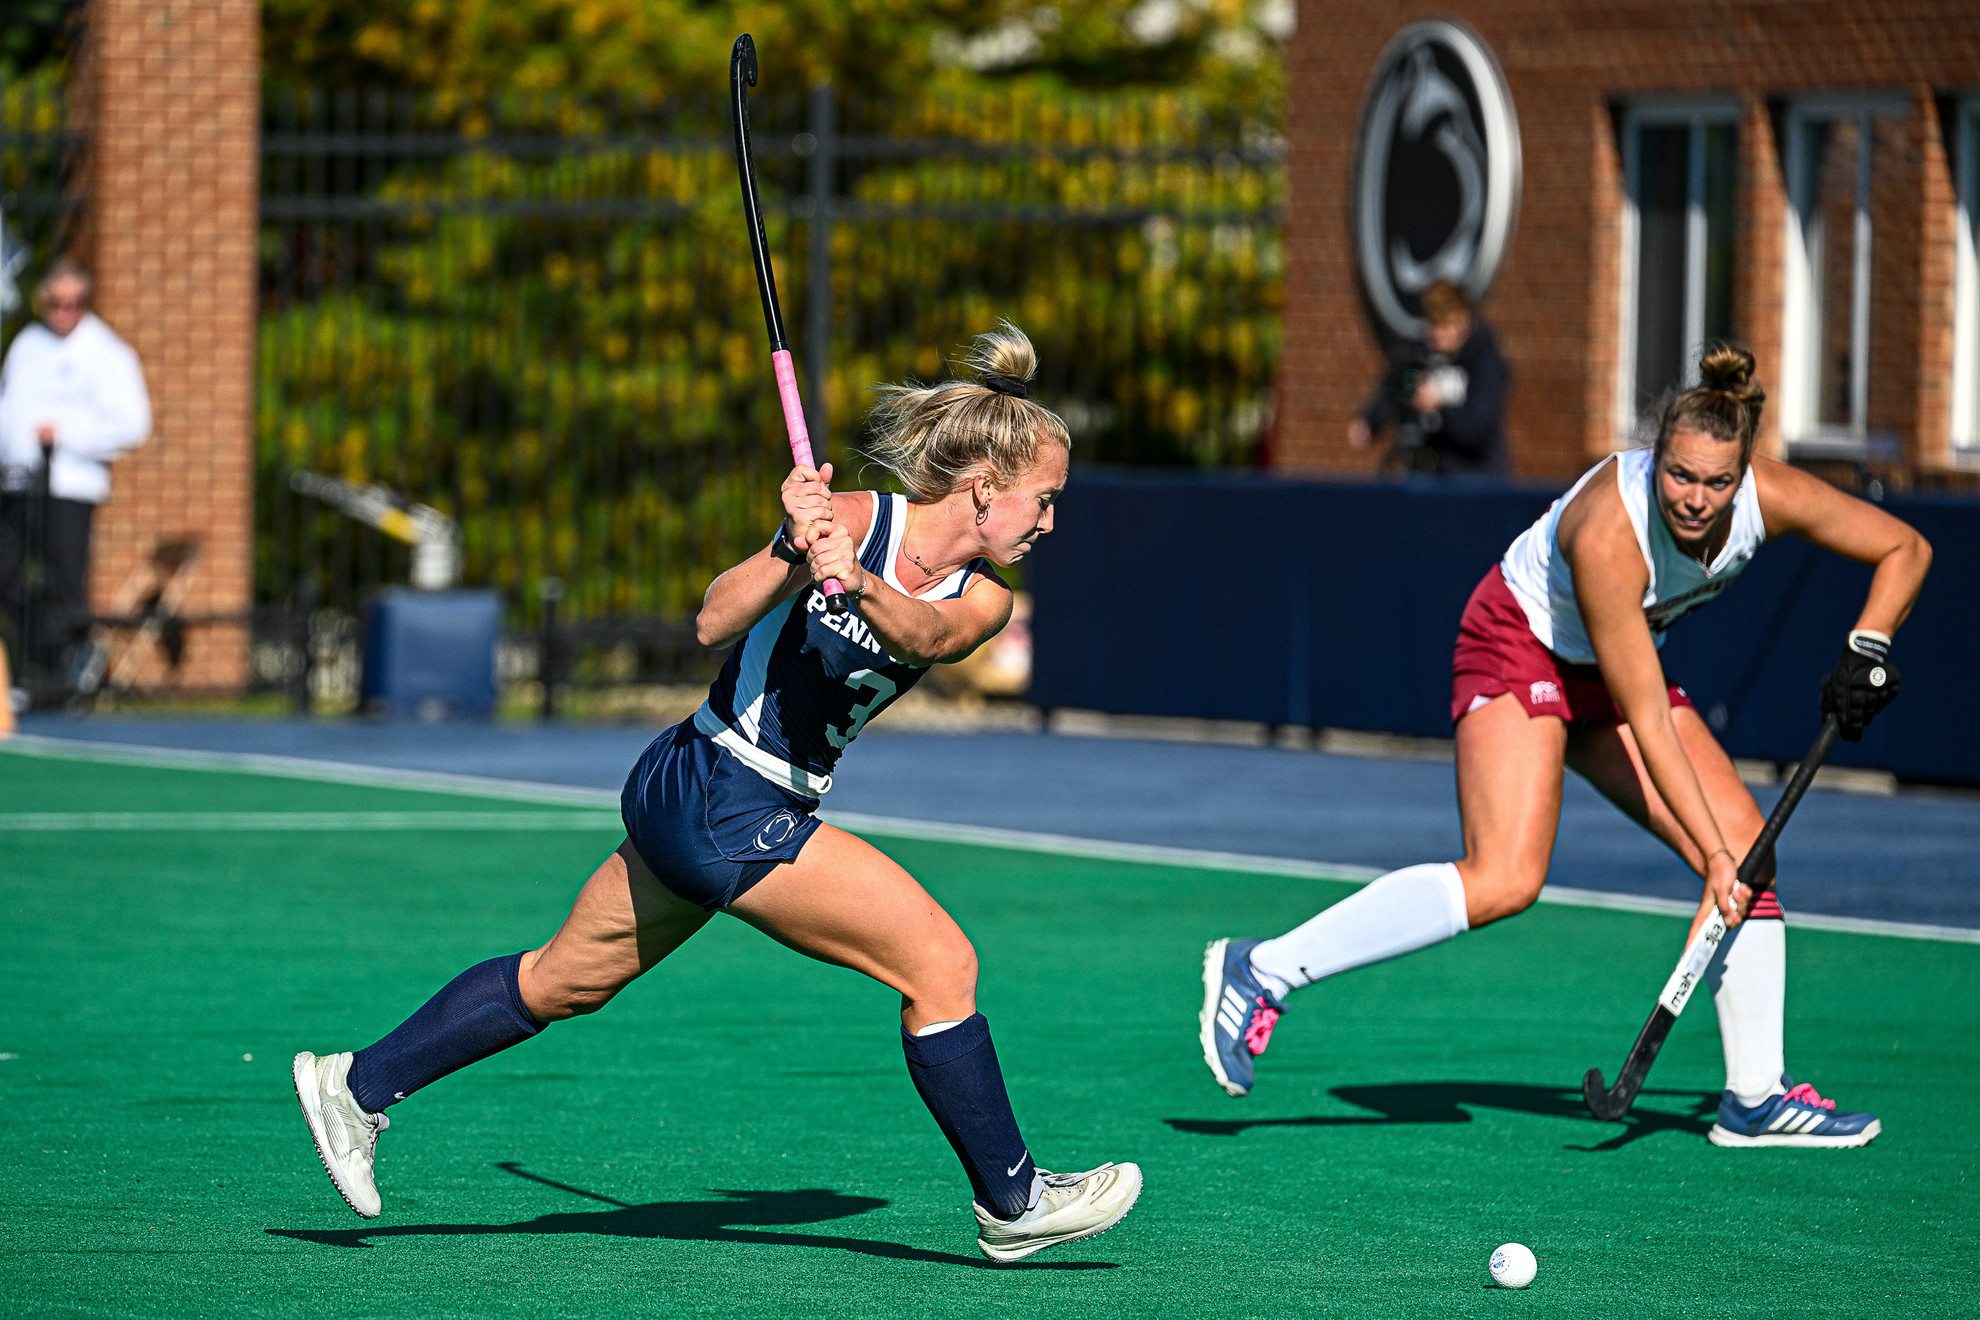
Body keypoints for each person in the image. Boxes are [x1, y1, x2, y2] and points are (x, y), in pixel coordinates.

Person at [293, 325, 1142, 1262]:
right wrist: (790, 546)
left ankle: (357, 1084)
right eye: (1045, 500)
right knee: (939, 964)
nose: (1049, 522)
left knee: (563, 980)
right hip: (718, 788)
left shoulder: (983, 597)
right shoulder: (853, 517)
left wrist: (852, 584)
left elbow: (923, 637)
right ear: (985, 488)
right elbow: (710, 620)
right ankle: (1012, 1203)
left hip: (723, 801)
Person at [1204, 344, 1930, 1147]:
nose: (1694, 498)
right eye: (1679, 475)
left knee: (1751, 857)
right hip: (1521, 642)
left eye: (1717, 482)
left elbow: (1907, 548)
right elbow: (1648, 721)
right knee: (1508, 877)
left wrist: (1868, 644)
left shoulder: (1773, 496)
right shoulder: (1608, 534)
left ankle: (1754, 1099)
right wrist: (1717, 859)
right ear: (1656, 456)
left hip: (1613, 664)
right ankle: (1263, 969)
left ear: (1743, 475)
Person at [0, 258, 151, 689]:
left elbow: (133, 425)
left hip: (70, 487)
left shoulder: (107, 353)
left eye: (74, 303)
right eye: (55, 302)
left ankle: (69, 671)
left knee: (64, 579)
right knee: (6, 573)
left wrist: (64, 436)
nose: (64, 310)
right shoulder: (28, 344)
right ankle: (37, 661)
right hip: (18, 484)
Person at [1348, 281, 1509, 475]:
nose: (1436, 335)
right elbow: (1394, 388)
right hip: (1426, 473)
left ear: (1461, 321)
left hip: (1474, 477)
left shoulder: (1485, 361)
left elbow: (1477, 427)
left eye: (1443, 325)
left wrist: (1438, 405)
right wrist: (1370, 422)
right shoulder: (1420, 352)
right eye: (1432, 325)